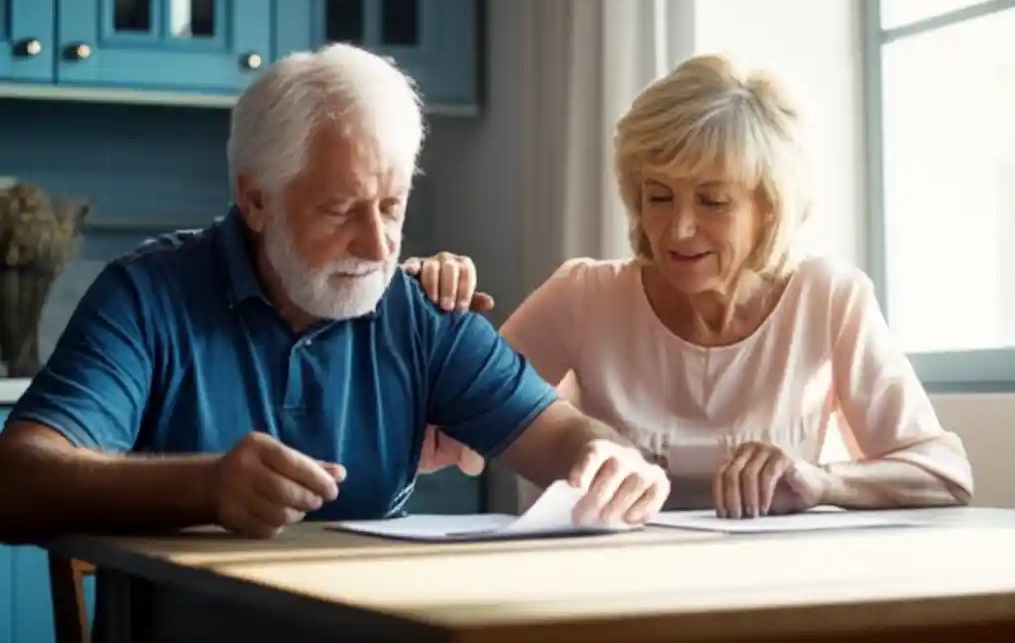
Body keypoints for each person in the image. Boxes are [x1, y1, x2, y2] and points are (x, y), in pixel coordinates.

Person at [0, 43, 668, 543]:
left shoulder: (418, 311)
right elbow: (17, 479)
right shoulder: (146, 298)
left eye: (393, 206)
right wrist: (204, 487)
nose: (379, 247)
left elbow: (561, 435)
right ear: (256, 200)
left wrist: (605, 458)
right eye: (341, 210)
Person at [408, 54, 973, 518]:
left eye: (713, 201)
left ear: (769, 208)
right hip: (607, 592)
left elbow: (944, 474)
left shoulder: (828, 296)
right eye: (659, 196)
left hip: (777, 596)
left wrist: (820, 482)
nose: (677, 228)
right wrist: (413, 313)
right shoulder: (583, 296)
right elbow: (444, 432)